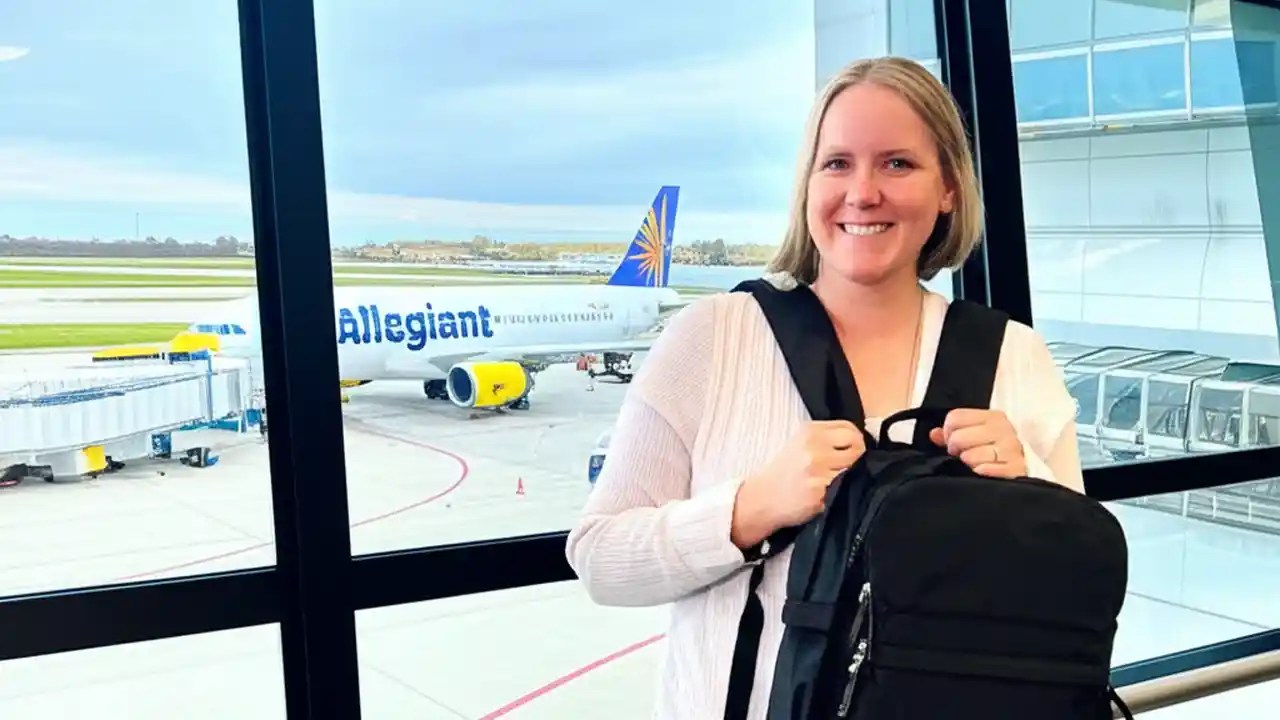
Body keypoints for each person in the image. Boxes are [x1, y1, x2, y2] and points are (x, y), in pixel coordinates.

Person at [564, 56, 1084, 720]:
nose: (863, 192)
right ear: (806, 185)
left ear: (949, 188)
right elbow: (600, 560)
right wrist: (747, 510)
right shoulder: (713, 337)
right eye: (836, 163)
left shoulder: (1016, 357)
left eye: (898, 163)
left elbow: (1073, 592)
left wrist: (1028, 486)